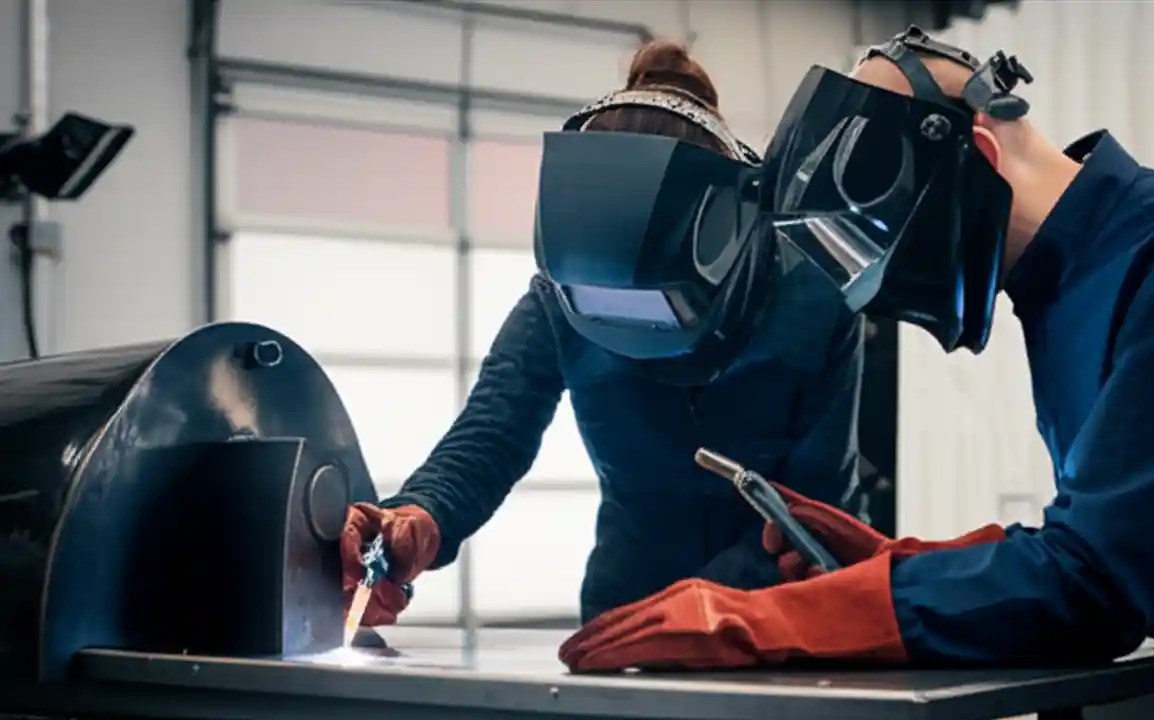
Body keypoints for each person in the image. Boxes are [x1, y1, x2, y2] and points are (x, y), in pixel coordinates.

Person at [558, 25, 1154, 712]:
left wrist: (777, 618)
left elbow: (1096, 583)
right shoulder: (1063, 293)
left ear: (980, 153)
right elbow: (1114, 531)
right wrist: (896, 562)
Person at [340, 40, 867, 628]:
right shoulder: (560, 295)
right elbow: (492, 432)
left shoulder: (815, 299)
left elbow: (818, 504)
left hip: (778, 612)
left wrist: (700, 605)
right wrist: (419, 517)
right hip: (626, 609)